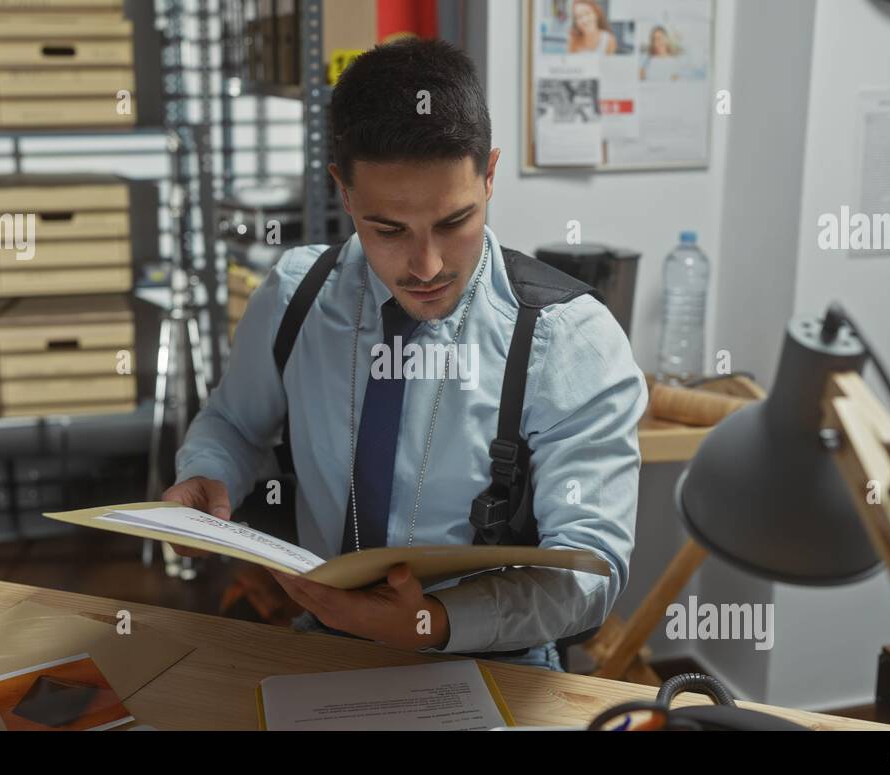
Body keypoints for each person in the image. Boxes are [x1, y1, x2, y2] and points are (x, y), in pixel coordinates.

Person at [163, 38, 647, 672]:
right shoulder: (294, 297)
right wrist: (209, 469)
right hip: (322, 638)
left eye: (454, 221)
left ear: (491, 174)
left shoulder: (571, 340)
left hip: (499, 659)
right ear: (342, 191)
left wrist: (435, 622)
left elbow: (594, 567)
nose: (427, 267)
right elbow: (233, 422)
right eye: (388, 229)